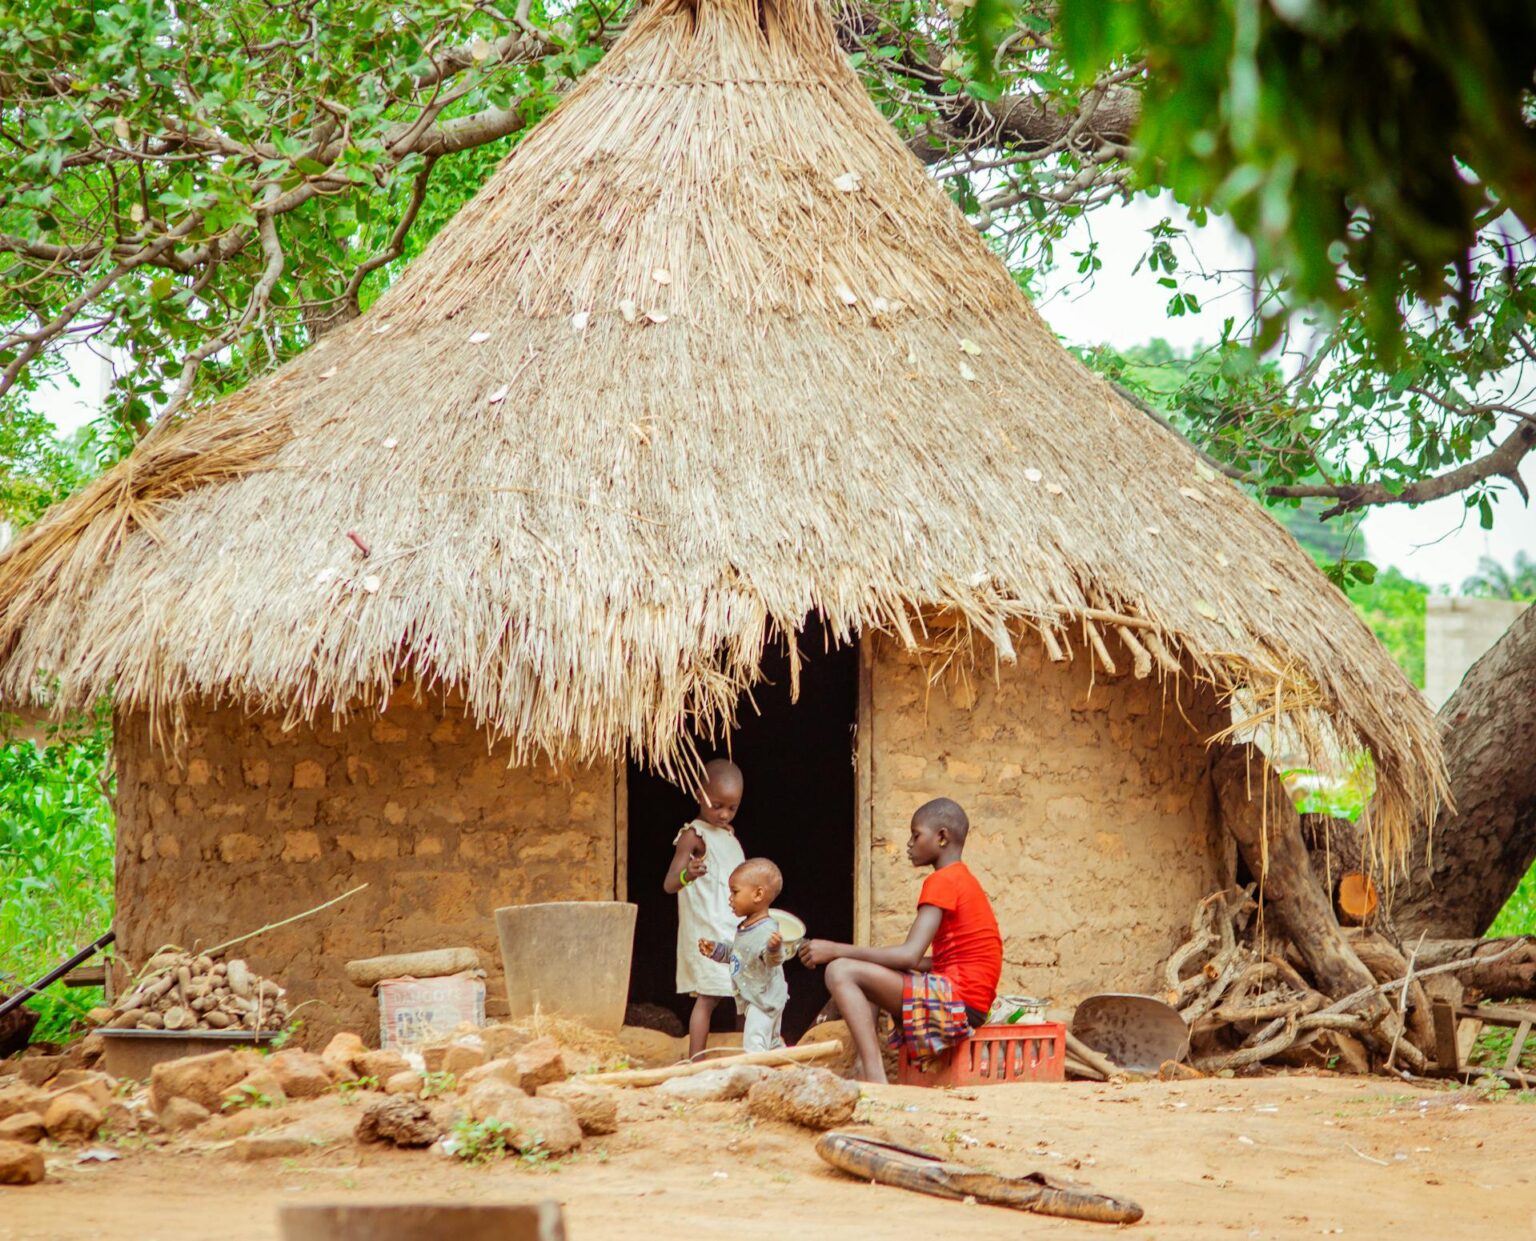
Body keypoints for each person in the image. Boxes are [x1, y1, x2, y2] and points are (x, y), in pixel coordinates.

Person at [798, 797, 1001, 1083]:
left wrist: (833, 950)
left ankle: (874, 1075)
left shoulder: (943, 880)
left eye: (916, 835)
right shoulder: (962, 879)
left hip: (957, 1004)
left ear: (942, 837)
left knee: (840, 969)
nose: (909, 843)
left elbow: (909, 956)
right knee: (865, 973)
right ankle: (862, 1069)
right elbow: (937, 960)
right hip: (967, 1004)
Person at [663, 758, 747, 1059]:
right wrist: (689, 874)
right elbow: (670, 884)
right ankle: (695, 1059)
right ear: (700, 794)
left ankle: (750, 1053)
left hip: (732, 927)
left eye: (732, 807)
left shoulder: (727, 835)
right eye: (717, 805)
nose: (724, 813)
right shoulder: (693, 836)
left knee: (745, 991)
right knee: (709, 996)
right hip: (707, 929)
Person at [698, 857, 789, 1053]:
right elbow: (739, 955)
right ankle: (786, 1069)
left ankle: (759, 1076)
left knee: (754, 1042)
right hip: (759, 997)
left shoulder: (766, 930)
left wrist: (774, 949)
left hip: (763, 1000)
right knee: (771, 1043)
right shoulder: (747, 927)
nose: (730, 898)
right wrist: (717, 950)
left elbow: (773, 960)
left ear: (758, 894)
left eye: (735, 892)